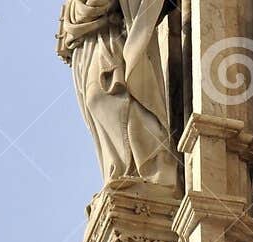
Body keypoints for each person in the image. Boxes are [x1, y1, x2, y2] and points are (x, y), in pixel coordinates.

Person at [57, 0, 176, 187]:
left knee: (111, 97)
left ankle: (149, 169)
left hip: (112, 39)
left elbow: (96, 5)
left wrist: (80, 15)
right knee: (95, 102)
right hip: (90, 47)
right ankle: (120, 169)